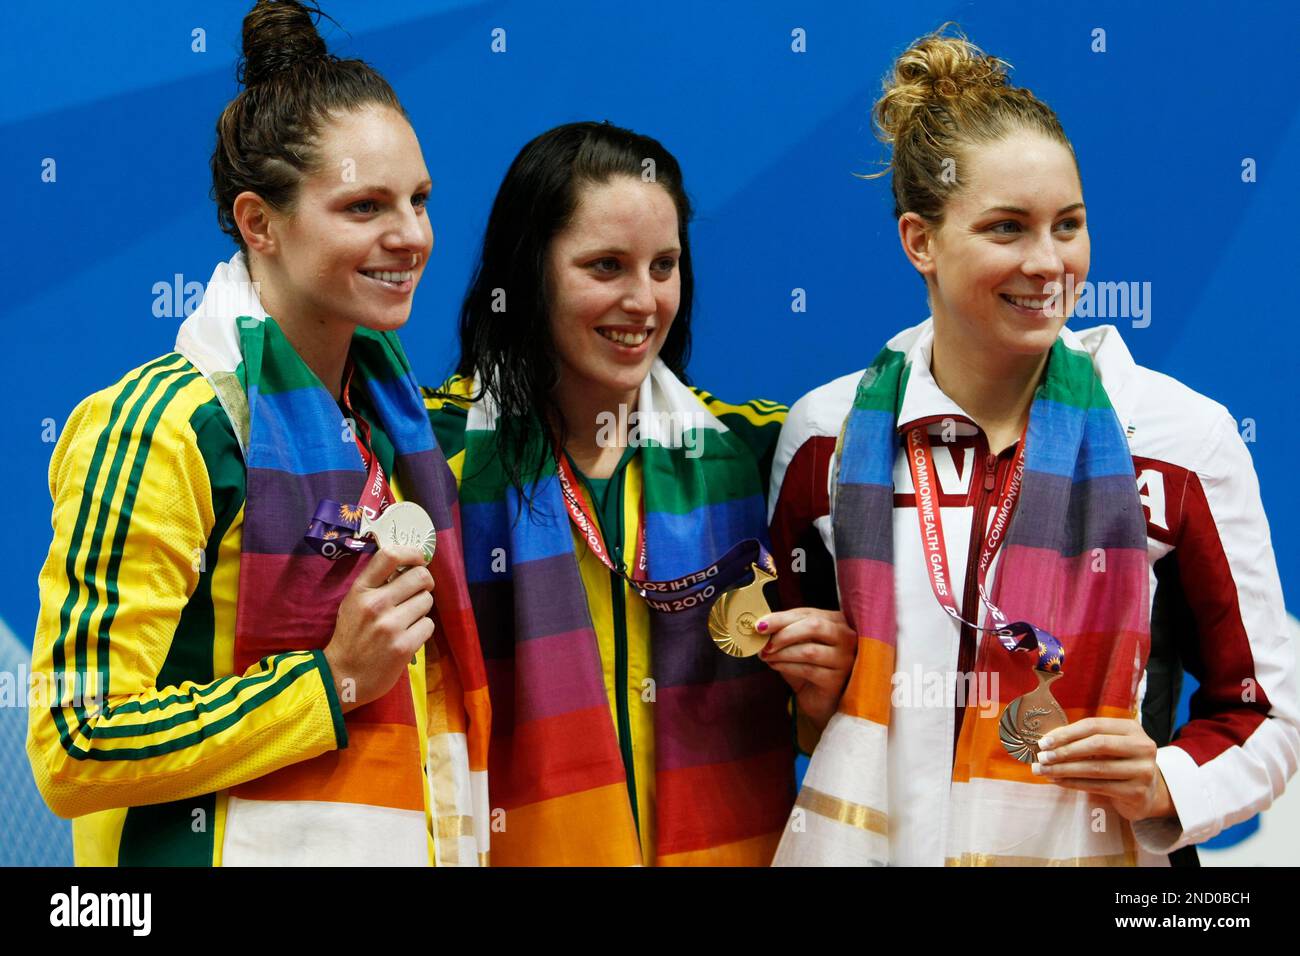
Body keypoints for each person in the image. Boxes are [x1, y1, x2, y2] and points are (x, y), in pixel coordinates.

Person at [768, 25, 1299, 866]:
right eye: (1008, 229)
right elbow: (799, 715)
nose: (1049, 263)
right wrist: (812, 691)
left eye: (1069, 225)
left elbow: (1263, 710)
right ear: (920, 242)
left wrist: (1168, 782)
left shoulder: (1176, 440)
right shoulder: (824, 439)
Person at [27, 0, 489, 866]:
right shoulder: (164, 426)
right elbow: (74, 744)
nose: (411, 235)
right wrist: (332, 681)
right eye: (363, 207)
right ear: (258, 223)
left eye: (419, 199)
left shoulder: (403, 426)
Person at [424, 121, 853, 865]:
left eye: (664, 266)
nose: (644, 301)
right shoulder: (436, 455)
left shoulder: (751, 453)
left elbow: (832, 716)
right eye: (605, 266)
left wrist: (823, 700)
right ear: (529, 274)